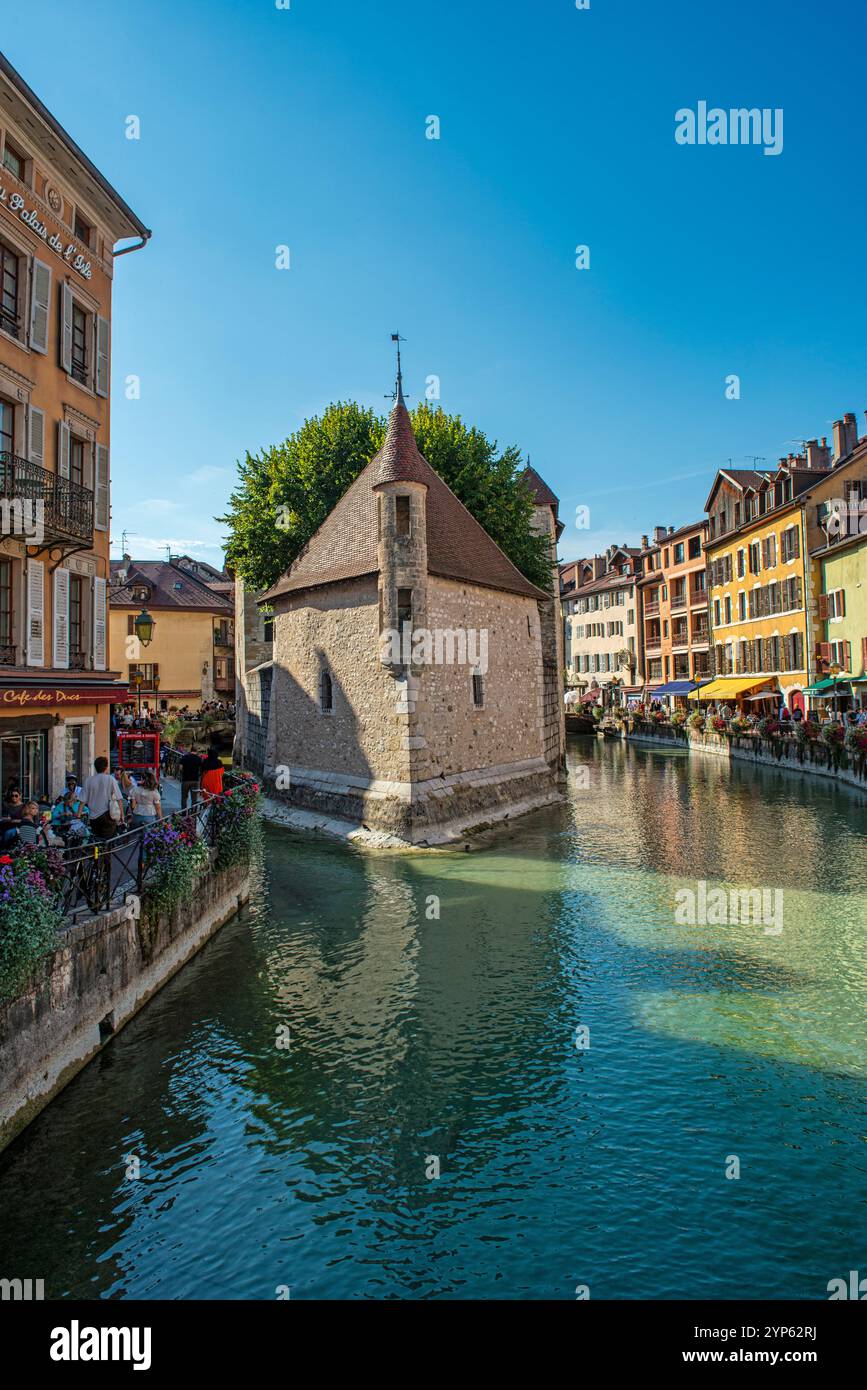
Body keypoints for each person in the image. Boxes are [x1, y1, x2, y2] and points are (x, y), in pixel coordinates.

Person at [82, 756, 124, 840]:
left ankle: (99, 852)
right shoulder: (110, 779)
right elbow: (119, 798)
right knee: (107, 841)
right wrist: (122, 814)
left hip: (93, 816)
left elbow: (82, 800)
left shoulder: (89, 780)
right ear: (106, 767)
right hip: (107, 815)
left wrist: (79, 814)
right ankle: (106, 852)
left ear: (95, 767)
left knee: (97, 840)